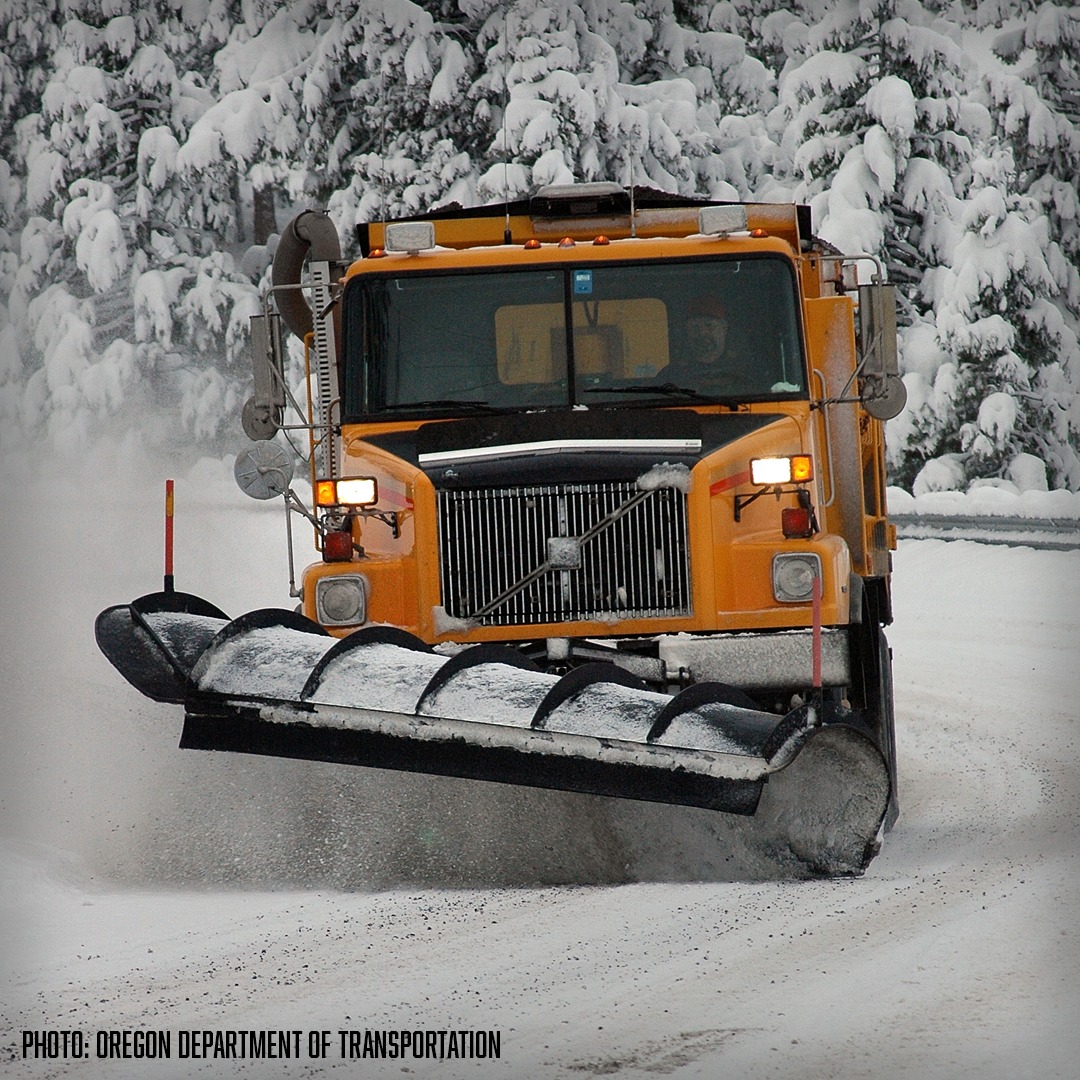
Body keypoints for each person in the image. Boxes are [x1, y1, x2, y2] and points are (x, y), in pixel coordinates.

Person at [660, 295, 743, 392]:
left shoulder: (743, 367)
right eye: (695, 327)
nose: (702, 332)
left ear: (724, 328)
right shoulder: (671, 374)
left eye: (709, 325)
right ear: (687, 331)